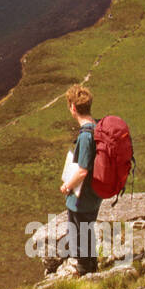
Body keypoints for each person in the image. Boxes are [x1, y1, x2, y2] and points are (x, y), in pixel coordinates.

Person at [59, 83, 100, 275]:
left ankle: (84, 271)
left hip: (82, 195)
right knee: (87, 229)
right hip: (94, 193)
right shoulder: (97, 126)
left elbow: (83, 171)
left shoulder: (85, 137)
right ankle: (92, 266)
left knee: (79, 230)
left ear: (73, 108)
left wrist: (67, 186)